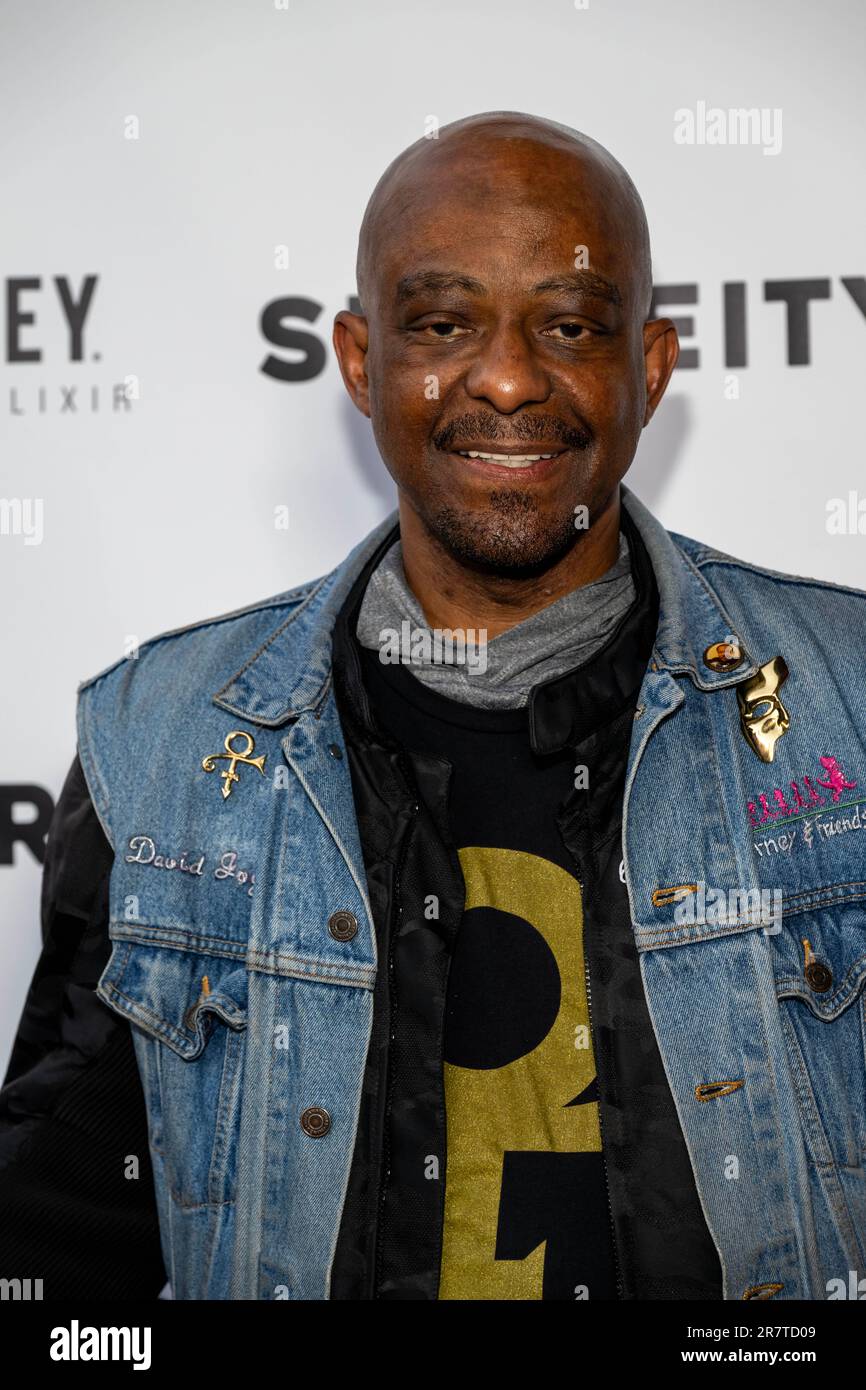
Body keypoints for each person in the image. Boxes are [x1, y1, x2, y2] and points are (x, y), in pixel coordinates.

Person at [2, 111, 865, 1302]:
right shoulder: (165, 742)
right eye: (442, 322)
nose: (506, 377)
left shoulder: (848, 709)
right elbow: (58, 1241)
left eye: (566, 325)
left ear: (648, 369)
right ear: (360, 362)